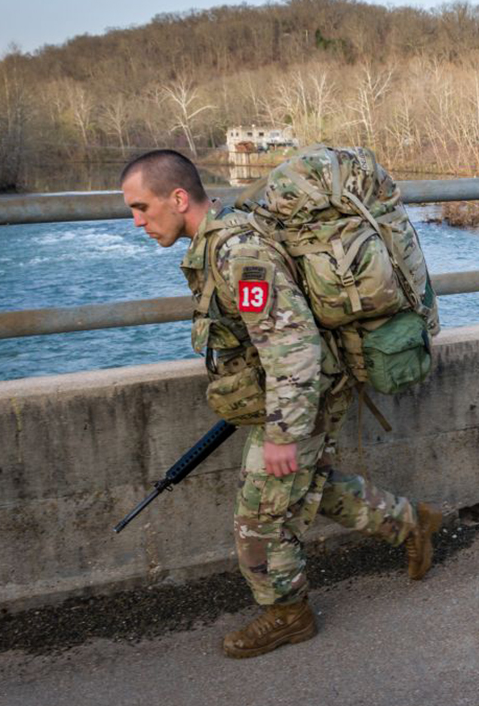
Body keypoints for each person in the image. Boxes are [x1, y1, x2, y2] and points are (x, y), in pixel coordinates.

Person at [120, 149, 442, 659]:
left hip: (302, 394)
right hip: (302, 390)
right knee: (306, 484)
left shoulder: (237, 251)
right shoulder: (225, 236)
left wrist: (282, 434)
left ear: (178, 198)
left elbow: (292, 344)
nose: (137, 221)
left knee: (260, 517)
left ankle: (288, 616)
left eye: (141, 207)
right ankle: (410, 523)